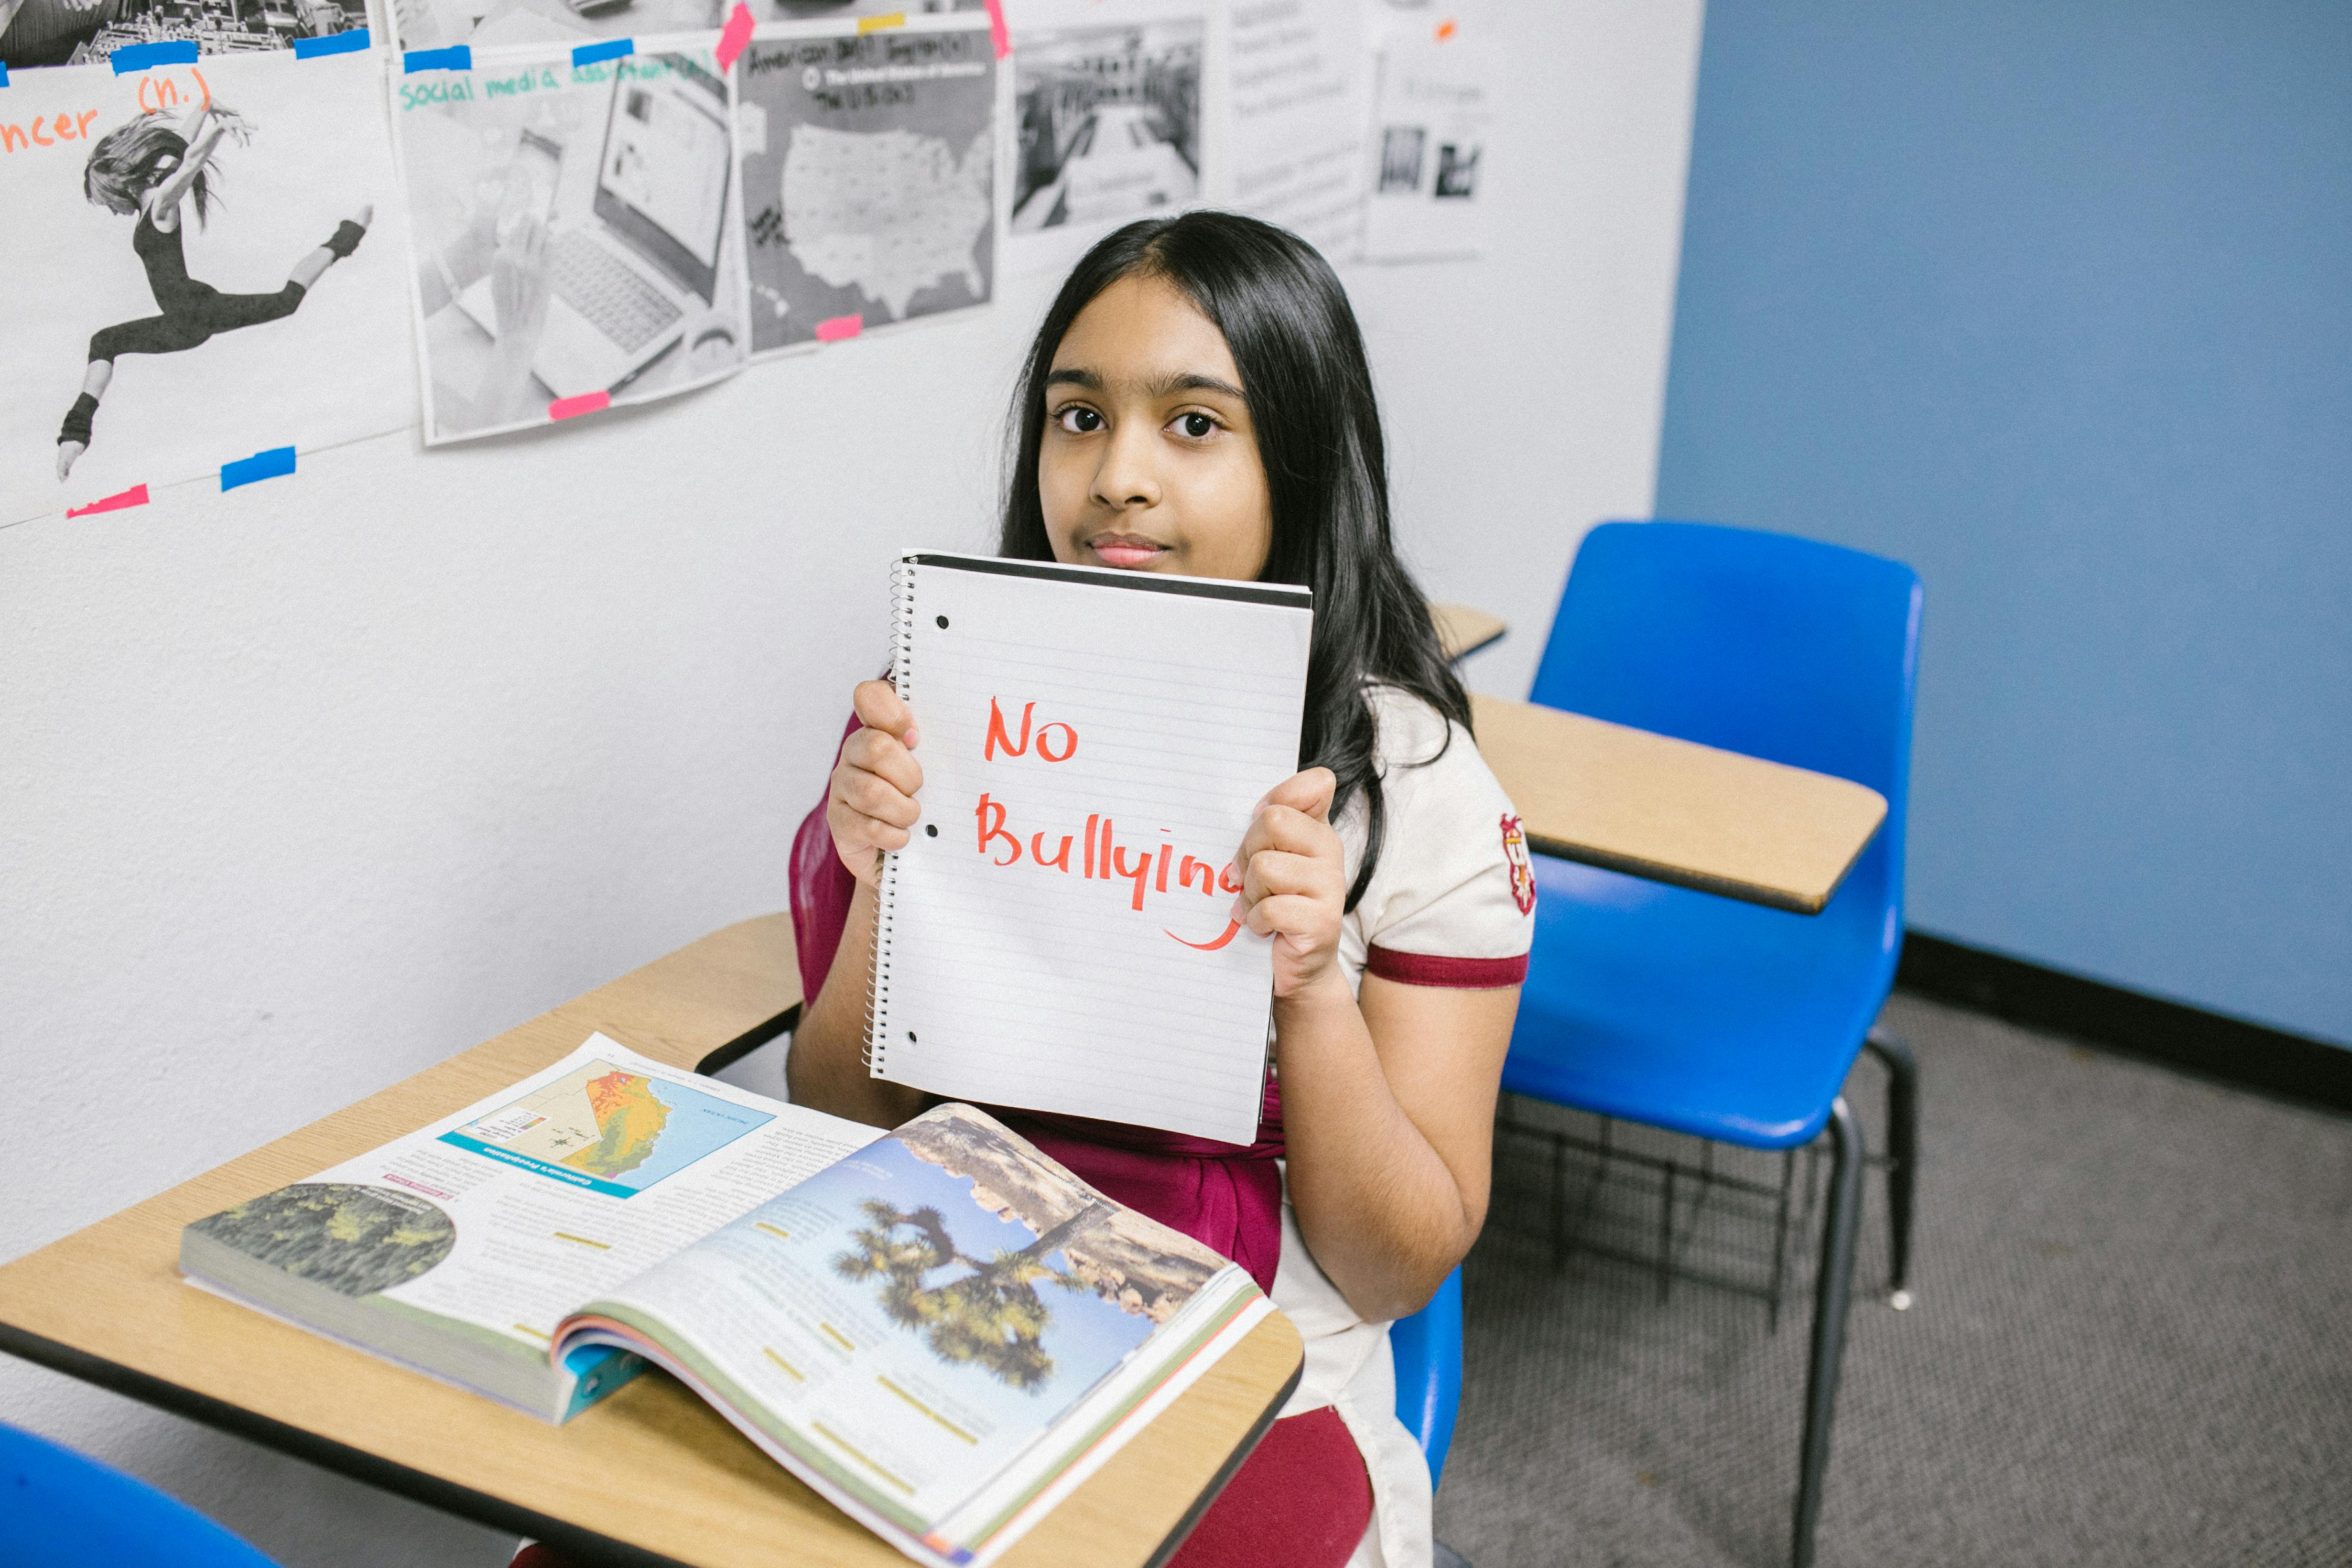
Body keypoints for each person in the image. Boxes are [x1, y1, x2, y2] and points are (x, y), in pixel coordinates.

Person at [785, 211, 1534, 1568]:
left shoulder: (1418, 793)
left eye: (1194, 425)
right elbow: (841, 1110)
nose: (1118, 475)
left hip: (1256, 1362)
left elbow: (1395, 1268)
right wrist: (882, 884)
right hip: (944, 1297)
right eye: (1079, 417)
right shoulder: (948, 707)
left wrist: (1309, 993)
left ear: (1301, 461)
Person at [58, 101, 371, 480]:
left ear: (121, 184)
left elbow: (189, 163)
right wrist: (206, 107)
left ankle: (347, 236)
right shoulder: (154, 200)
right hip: (183, 319)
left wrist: (220, 130)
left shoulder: (160, 207)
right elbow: (180, 146)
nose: (111, 210)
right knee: (105, 340)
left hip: (195, 313)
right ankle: (74, 436)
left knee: (287, 301)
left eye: (106, 201)